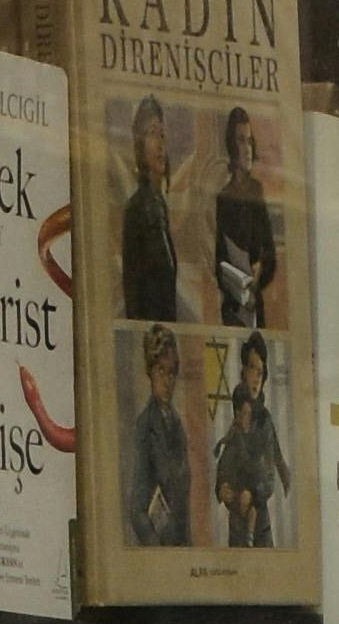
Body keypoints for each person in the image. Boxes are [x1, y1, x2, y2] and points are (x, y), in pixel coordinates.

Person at [212, 328, 289, 552]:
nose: (256, 378)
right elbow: (226, 459)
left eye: (261, 373)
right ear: (242, 371)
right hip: (236, 526)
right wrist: (222, 487)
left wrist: (252, 493)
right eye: (252, 370)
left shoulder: (264, 422)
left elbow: (269, 476)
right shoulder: (238, 417)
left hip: (260, 530)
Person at [208, 101, 279, 332]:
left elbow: (269, 252)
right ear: (231, 145)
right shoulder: (224, 197)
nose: (247, 148)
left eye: (249, 140)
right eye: (241, 140)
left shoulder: (256, 192)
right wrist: (236, 286)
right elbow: (220, 261)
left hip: (255, 304)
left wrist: (258, 278)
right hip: (233, 308)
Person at [128, 319, 194, 548]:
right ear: (150, 371)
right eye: (161, 371)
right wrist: (156, 550)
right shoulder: (145, 426)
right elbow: (136, 510)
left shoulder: (176, 424)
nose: (167, 381)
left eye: (172, 373)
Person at [118, 96, 181, 323]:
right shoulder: (137, 208)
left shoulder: (159, 206)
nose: (161, 144)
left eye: (162, 134)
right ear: (139, 143)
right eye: (152, 133)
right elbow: (133, 295)